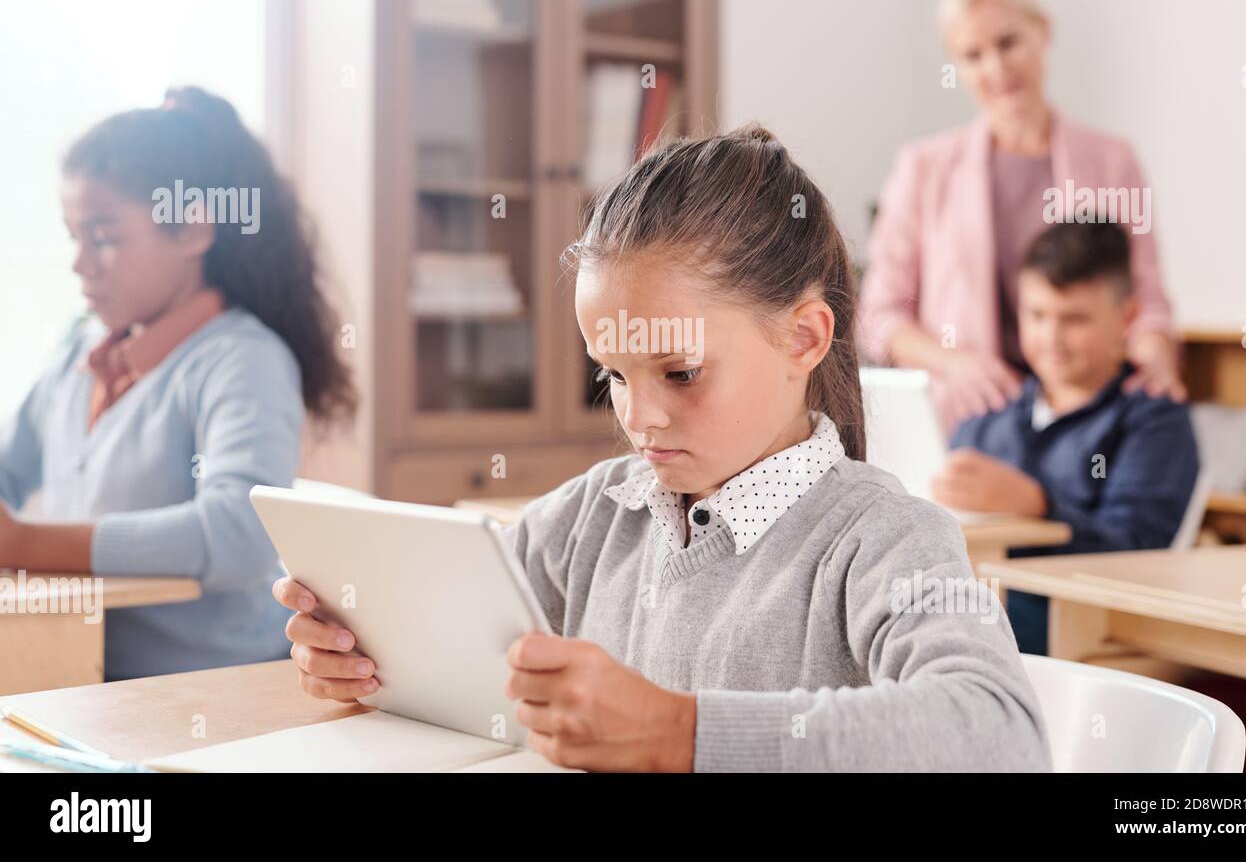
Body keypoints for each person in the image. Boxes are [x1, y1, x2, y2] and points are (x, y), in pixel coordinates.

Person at [273, 125, 1050, 772]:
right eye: (613, 373)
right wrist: (366, 667)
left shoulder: (882, 538)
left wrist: (679, 731)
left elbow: (999, 735)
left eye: (680, 373)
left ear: (804, 337)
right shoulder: (590, 519)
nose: (639, 417)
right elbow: (468, 674)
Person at [0, 87, 356, 680]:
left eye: (105, 238)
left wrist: (26, 546)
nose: (79, 264)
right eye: (74, 237)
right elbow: (9, 471)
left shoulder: (242, 360)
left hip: (205, 690)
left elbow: (238, 532)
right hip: (70, 668)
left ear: (192, 230)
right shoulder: (78, 353)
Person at [859, 0, 1182, 432]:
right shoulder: (923, 168)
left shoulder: (1113, 161)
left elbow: (1145, 295)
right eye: (972, 56)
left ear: (1043, 33)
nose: (995, 68)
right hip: (970, 418)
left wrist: (1154, 351)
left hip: (1088, 416)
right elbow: (879, 315)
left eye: (1008, 42)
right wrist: (954, 363)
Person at [935, 220, 1198, 655]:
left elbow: (1139, 552)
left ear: (1127, 318)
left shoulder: (1153, 419)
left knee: (948, 628)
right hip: (970, 598)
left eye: (1074, 319)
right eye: (1036, 316)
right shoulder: (991, 412)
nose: (1051, 338)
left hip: (1075, 620)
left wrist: (1039, 506)